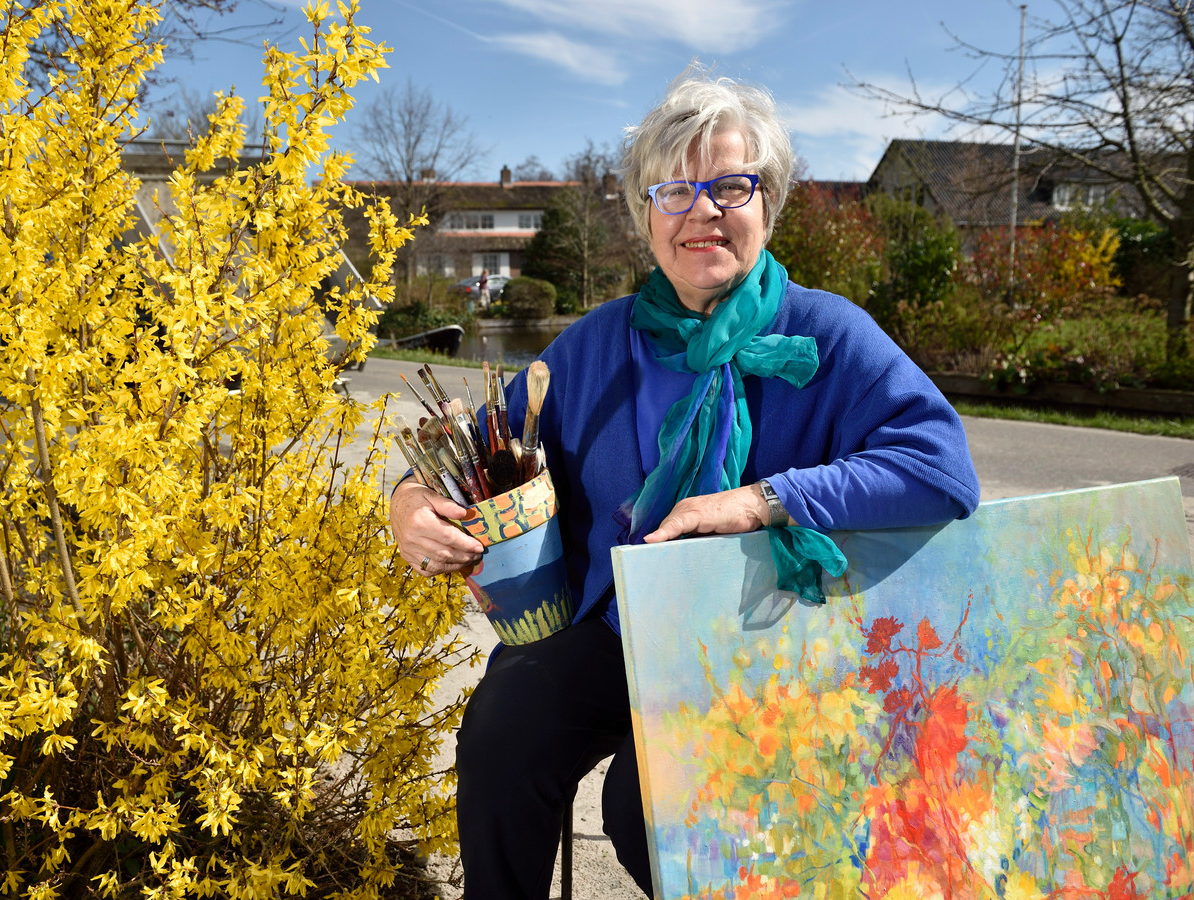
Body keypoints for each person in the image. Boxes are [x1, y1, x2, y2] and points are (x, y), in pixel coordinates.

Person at [388, 71, 980, 898]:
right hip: (616, 630)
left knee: (650, 806)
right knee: (502, 732)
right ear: (646, 217)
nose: (702, 211)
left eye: (729, 186)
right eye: (674, 191)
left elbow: (942, 469)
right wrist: (410, 506)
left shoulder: (828, 333)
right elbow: (477, 444)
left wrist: (758, 501)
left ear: (767, 202)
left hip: (761, 638)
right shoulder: (595, 347)